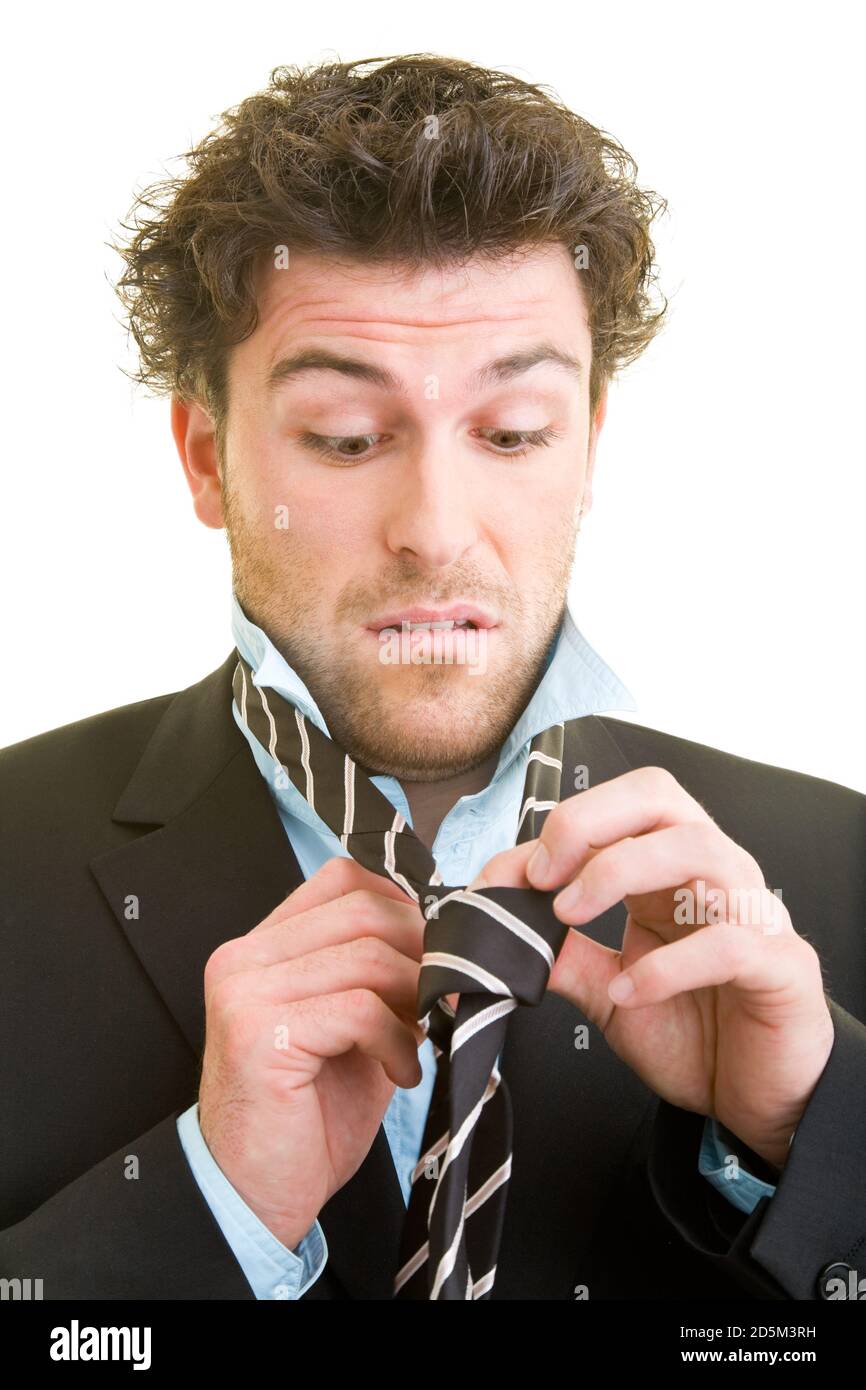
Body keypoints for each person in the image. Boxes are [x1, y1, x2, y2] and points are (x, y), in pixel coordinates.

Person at [1, 53, 864, 1302]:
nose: (437, 529)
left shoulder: (838, 873)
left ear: (585, 446)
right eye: (346, 439)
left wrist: (794, 1141)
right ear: (205, 457)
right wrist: (211, 1209)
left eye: (512, 432)